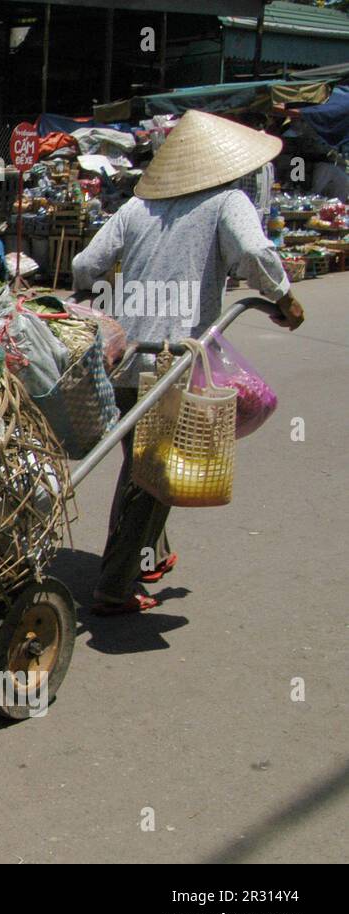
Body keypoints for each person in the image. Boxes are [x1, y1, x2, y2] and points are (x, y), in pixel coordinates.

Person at [71, 109, 304, 617]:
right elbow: (256, 254)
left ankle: (145, 554)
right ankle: (114, 584)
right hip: (175, 361)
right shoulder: (227, 201)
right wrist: (285, 299)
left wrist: (107, 294)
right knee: (153, 474)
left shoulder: (135, 209)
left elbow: (85, 265)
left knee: (147, 460)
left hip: (124, 354)